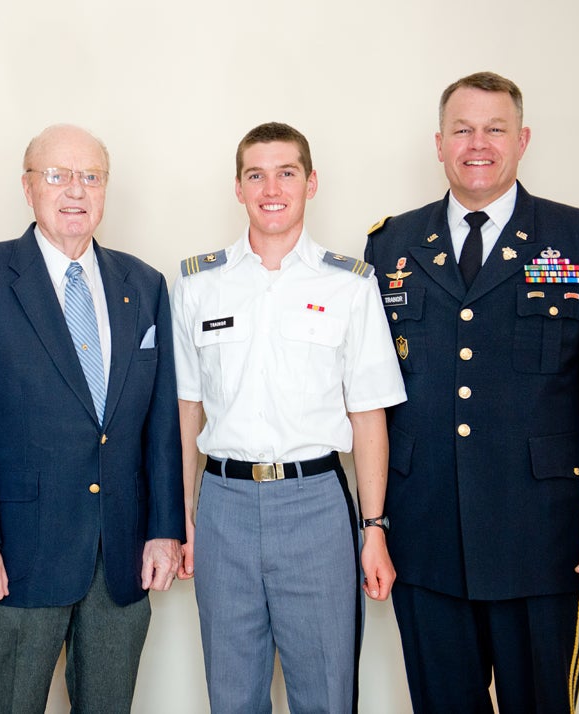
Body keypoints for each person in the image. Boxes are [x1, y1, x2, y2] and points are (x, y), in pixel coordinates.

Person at [364, 71, 579, 712]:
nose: (478, 144)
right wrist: (373, 524)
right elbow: (370, 396)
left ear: (523, 139)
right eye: (462, 129)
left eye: (495, 129)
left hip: (540, 539)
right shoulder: (392, 247)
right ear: (439, 143)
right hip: (425, 532)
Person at [0, 124, 184, 713]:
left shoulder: (143, 284)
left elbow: (160, 424)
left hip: (118, 559)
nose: (75, 190)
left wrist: (165, 528)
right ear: (27, 187)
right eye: (58, 175)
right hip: (14, 559)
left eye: (91, 176)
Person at [172, 122, 406, 713]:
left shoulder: (350, 285)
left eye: (286, 172)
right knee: (231, 694)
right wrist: (187, 515)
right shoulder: (199, 285)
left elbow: (369, 415)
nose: (271, 187)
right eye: (256, 174)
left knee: (326, 695)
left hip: (316, 504)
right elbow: (186, 409)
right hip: (223, 504)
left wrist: (373, 529)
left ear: (311, 182)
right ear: (238, 187)